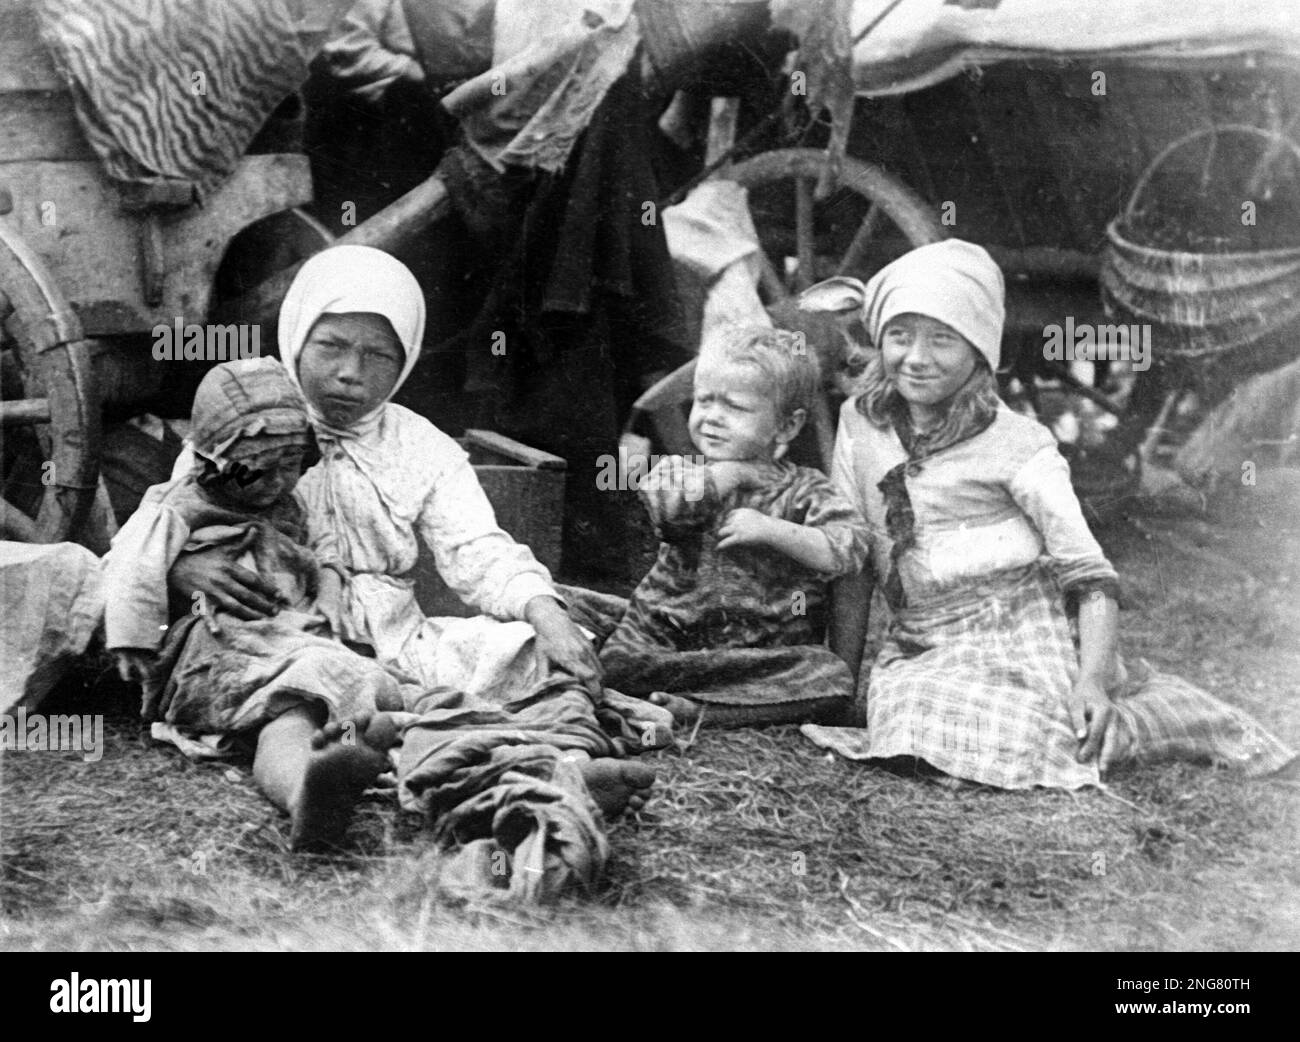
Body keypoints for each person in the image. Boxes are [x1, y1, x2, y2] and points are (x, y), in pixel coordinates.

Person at [167, 246, 666, 869]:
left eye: (378, 356)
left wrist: (547, 614)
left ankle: (571, 770)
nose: (351, 373)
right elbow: (164, 523)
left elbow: (476, 549)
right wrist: (183, 570)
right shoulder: (247, 418)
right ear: (296, 335)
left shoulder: (420, 446)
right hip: (277, 627)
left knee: (531, 657)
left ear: (404, 362)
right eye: (331, 346)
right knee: (298, 696)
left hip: (393, 631)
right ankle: (309, 790)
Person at [805, 239, 1295, 789]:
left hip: (1025, 629)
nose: (917, 358)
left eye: (942, 339)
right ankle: (1052, 722)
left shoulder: (1020, 445)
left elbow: (1090, 578)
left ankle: (1146, 717)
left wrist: (1089, 681)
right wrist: (841, 688)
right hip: (927, 640)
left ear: (978, 350)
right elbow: (856, 561)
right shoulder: (859, 423)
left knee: (1045, 729)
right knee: (905, 710)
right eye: (900, 335)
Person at [104, 357, 408, 850]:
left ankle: (313, 783)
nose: (275, 483)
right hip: (221, 648)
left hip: (288, 639)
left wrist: (328, 593)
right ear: (212, 460)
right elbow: (131, 564)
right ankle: (317, 777)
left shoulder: (290, 503)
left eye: (290, 466)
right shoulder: (178, 506)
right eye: (257, 472)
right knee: (300, 692)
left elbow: (325, 549)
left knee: (302, 712)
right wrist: (133, 641)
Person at [575, 326, 868, 727]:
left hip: (756, 654)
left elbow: (849, 546)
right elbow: (666, 515)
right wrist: (724, 477)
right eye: (703, 400)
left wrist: (774, 530)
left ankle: (703, 712)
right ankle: (618, 681)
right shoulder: (678, 472)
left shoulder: (805, 490)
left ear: (786, 426)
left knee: (829, 675)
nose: (711, 417)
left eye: (734, 407)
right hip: (665, 638)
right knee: (580, 618)